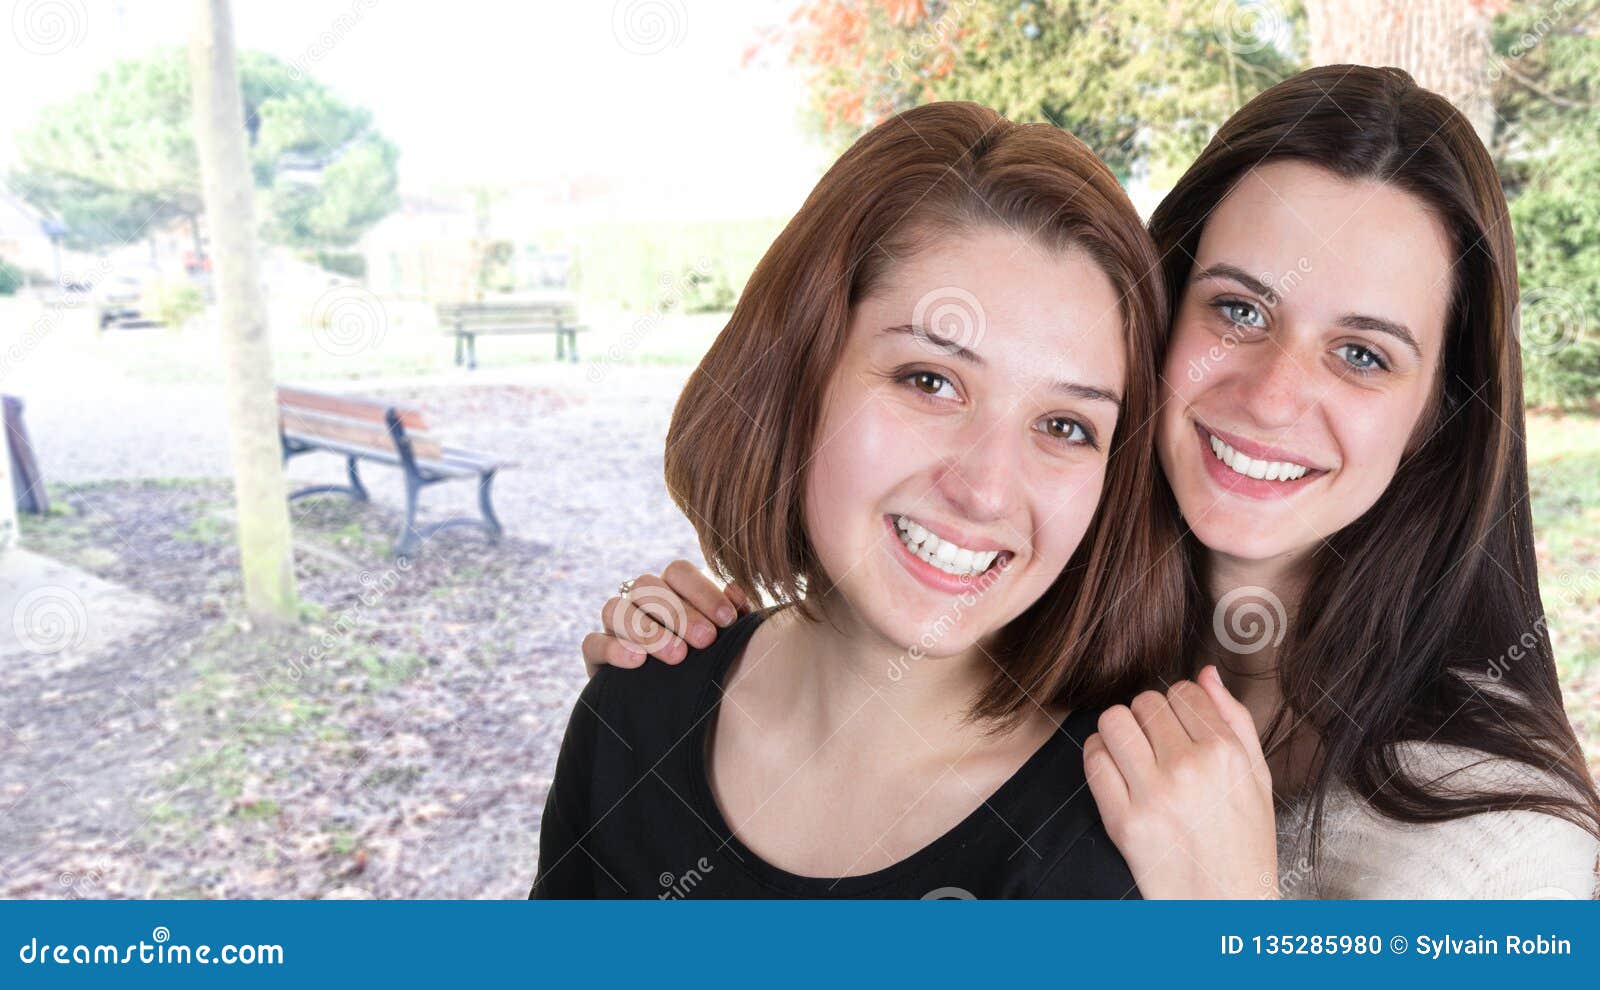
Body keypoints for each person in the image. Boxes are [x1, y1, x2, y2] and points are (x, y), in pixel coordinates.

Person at [580, 66, 1600, 899]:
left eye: (1364, 355)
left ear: (1438, 419)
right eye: (1238, 310)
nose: (1273, 394)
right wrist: (707, 654)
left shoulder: (1499, 859)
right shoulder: (1064, 636)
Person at [530, 100, 1248, 899]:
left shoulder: (1133, 841)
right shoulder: (634, 710)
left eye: (1064, 425)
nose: (984, 490)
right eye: (930, 381)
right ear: (800, 368)